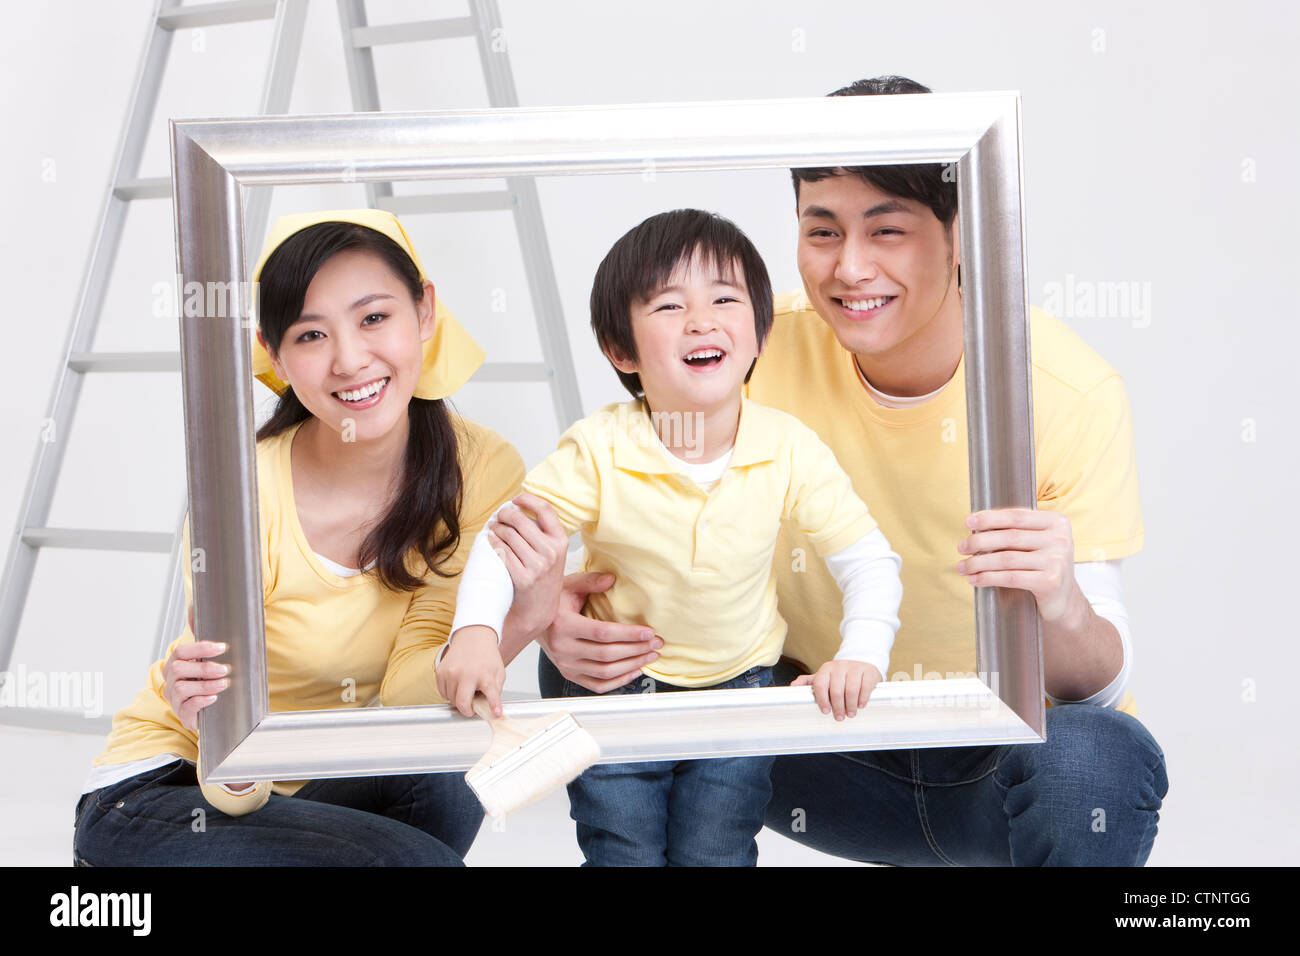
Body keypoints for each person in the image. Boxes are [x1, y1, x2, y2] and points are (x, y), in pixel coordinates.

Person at [533, 78, 1170, 866]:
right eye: (822, 232)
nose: (851, 269)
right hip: (809, 745)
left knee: (1094, 754)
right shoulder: (753, 346)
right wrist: (553, 617)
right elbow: (622, 504)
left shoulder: (1064, 392)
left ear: (961, 230)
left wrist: (1063, 602)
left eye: (888, 230)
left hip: (995, 777)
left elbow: (1097, 694)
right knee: (579, 662)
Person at [71, 208, 554, 866]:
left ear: (425, 311)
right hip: (176, 791)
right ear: (275, 354)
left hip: (317, 789)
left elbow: (416, 690)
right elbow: (235, 785)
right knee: (405, 861)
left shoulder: (479, 467)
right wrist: (218, 726)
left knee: (451, 764)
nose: (351, 359)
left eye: (374, 317)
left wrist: (521, 617)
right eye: (310, 335)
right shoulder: (240, 488)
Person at [441, 209, 904, 866]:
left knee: (715, 850)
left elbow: (868, 562)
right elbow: (503, 542)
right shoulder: (599, 448)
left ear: (759, 333)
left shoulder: (788, 447)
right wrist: (477, 635)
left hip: (742, 688)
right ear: (621, 351)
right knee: (624, 849)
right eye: (668, 305)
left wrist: (862, 654)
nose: (701, 320)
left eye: (724, 298)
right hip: (611, 688)